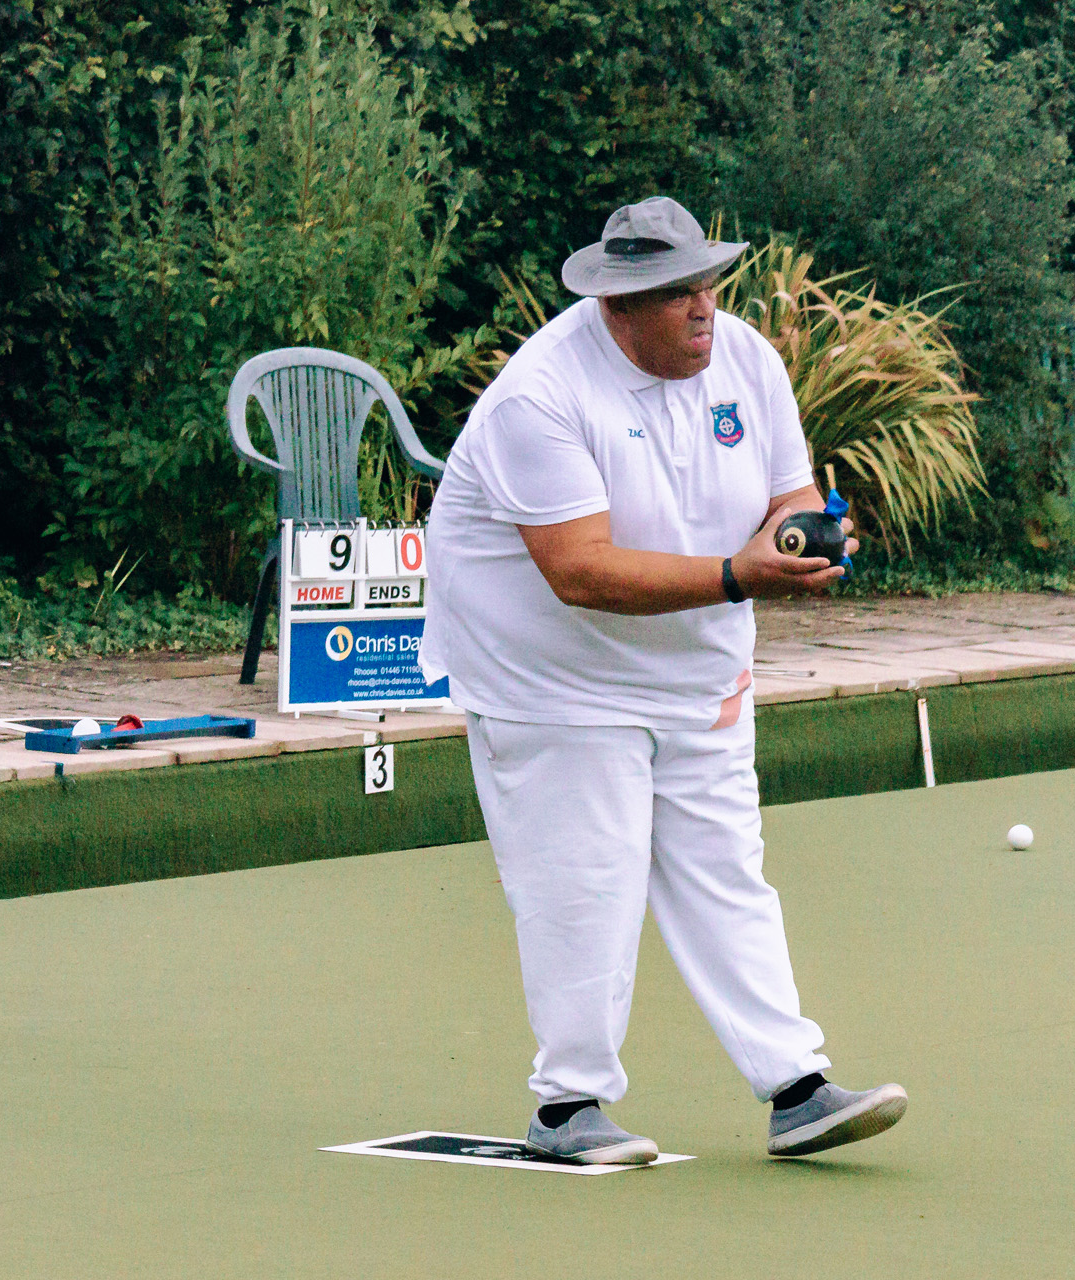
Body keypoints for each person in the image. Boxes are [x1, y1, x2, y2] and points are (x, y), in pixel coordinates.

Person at [420, 196, 907, 1162]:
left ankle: (798, 1089)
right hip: (552, 683)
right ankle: (567, 1108)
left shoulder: (746, 360)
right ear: (618, 305)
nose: (702, 308)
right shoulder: (539, 398)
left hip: (697, 672)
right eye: (677, 292)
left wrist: (805, 536)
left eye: (707, 284)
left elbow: (788, 492)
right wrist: (737, 575)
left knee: (728, 873)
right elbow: (580, 571)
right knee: (586, 885)